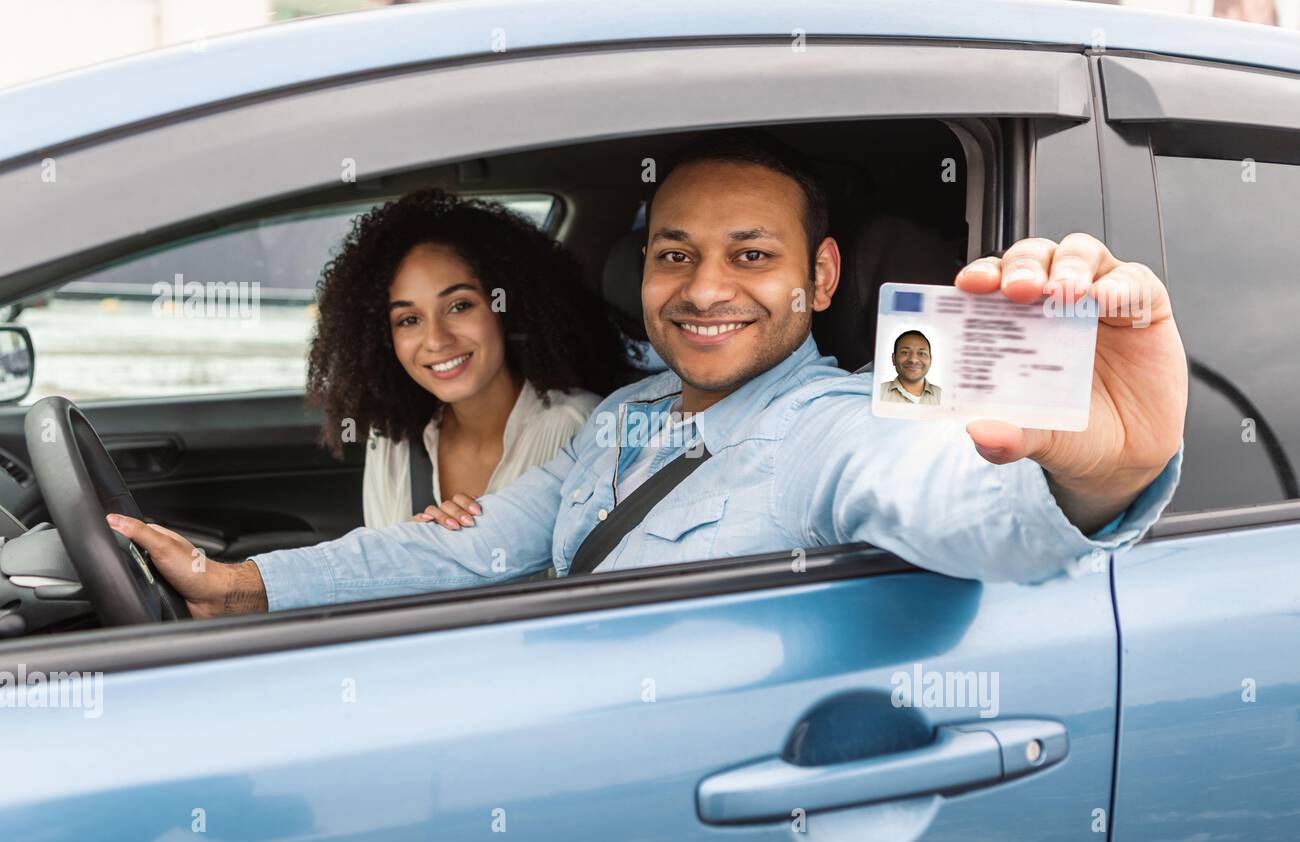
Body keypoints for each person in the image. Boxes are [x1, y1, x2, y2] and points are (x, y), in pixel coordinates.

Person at [108, 131, 1187, 617]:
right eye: (674, 252)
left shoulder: (835, 423)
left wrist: (1100, 472)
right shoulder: (624, 413)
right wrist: (242, 583)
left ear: (819, 276)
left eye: (750, 254)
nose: (702, 287)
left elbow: (952, 498)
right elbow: (491, 542)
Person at [306, 189, 633, 530]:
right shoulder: (392, 442)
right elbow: (381, 578)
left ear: (505, 307)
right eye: (409, 320)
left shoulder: (582, 428)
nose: (436, 339)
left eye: (460, 306)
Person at [879, 330, 941, 404]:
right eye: (905, 352)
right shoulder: (876, 394)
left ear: (930, 360)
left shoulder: (944, 398)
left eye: (921, 353)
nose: (913, 360)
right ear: (893, 359)